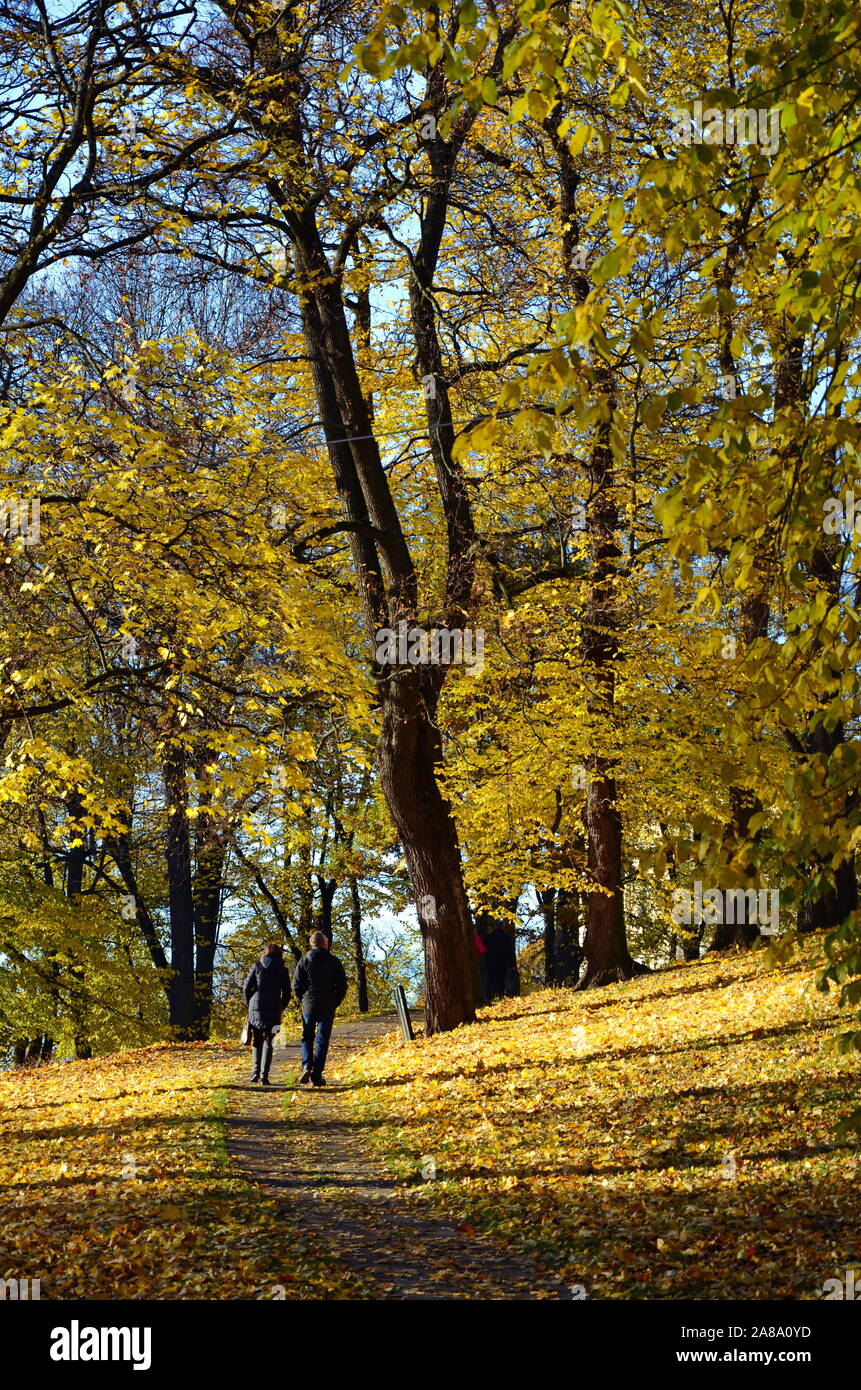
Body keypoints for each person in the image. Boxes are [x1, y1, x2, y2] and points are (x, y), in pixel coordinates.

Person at [292, 930, 348, 1087]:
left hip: (309, 1004)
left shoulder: (303, 961)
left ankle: (306, 1065)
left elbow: (295, 984)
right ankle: (317, 1076)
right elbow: (343, 985)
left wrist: (303, 998)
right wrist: (336, 1001)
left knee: (307, 1037)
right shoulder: (334, 961)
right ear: (325, 943)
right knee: (322, 1041)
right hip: (327, 1005)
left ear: (312, 944)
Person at [243, 943, 291, 1085]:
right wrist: (281, 1006)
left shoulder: (257, 966)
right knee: (269, 1041)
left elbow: (246, 988)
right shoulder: (283, 970)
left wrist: (250, 1003)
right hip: (275, 1006)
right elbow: (287, 993)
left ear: (265, 953)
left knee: (257, 1040)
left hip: (256, 1004)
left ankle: (255, 1073)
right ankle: (264, 1076)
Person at [484, 924, 517, 1001]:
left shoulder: (489, 936)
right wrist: (512, 964)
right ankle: (500, 995)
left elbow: (484, 948)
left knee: (491, 979)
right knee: (501, 979)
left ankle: (489, 997)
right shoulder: (507, 937)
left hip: (491, 962)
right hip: (503, 962)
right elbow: (510, 951)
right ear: (502, 927)